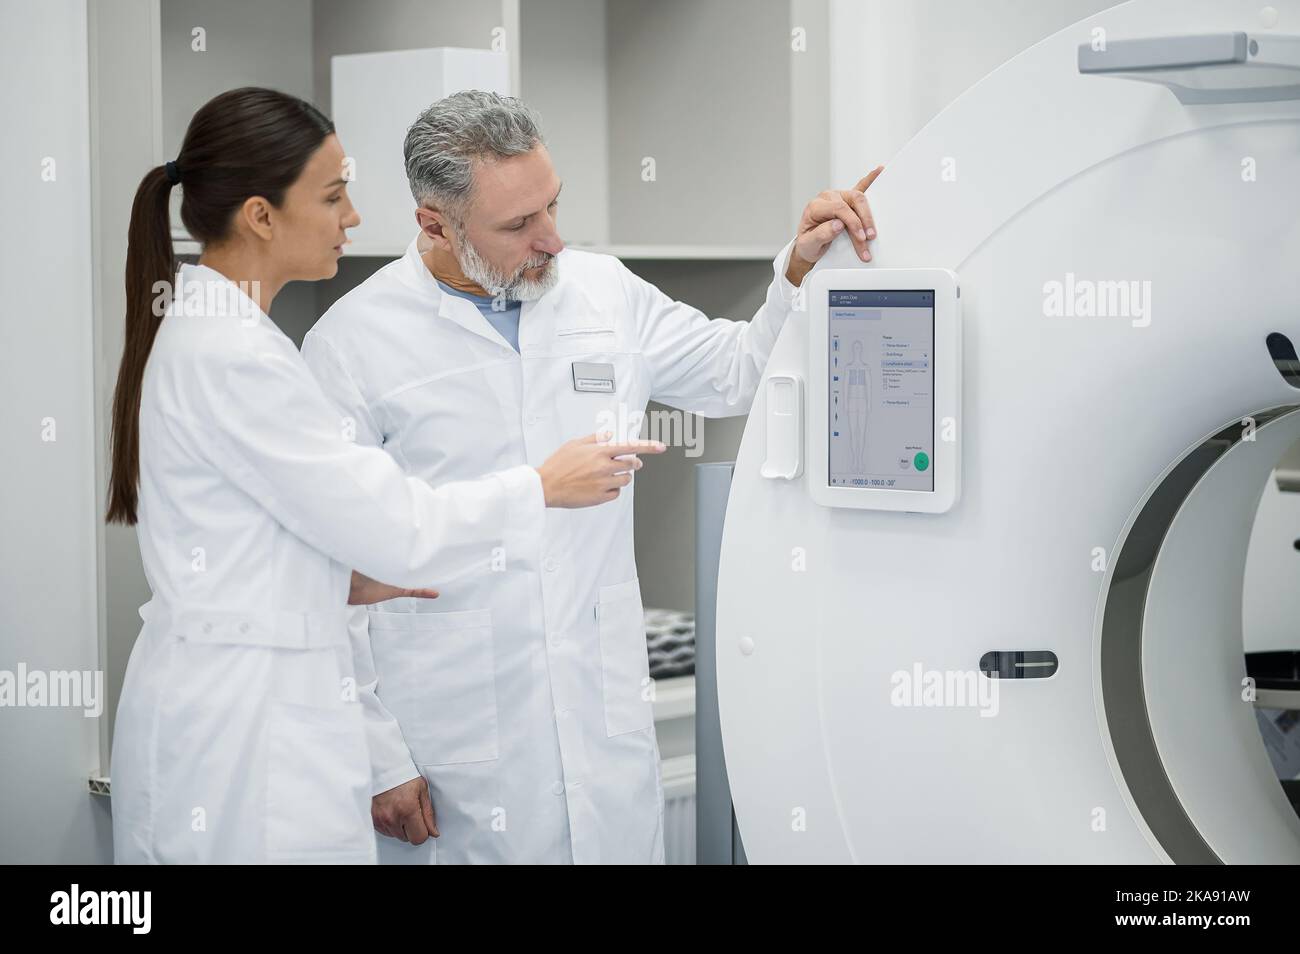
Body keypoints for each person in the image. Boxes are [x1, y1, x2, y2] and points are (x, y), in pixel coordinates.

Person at [303, 89, 881, 863]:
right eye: (518, 224)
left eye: (553, 205)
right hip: (451, 743)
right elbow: (330, 568)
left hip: (600, 719)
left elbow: (737, 373)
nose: (552, 237)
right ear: (435, 224)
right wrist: (381, 758)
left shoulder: (603, 291)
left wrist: (800, 263)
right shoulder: (353, 344)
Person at [106, 87, 663, 864]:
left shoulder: (225, 336)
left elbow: (272, 536)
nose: (355, 217)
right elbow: (397, 530)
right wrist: (540, 486)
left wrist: (329, 574)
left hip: (256, 707)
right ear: (262, 216)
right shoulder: (238, 356)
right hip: (250, 733)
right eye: (334, 195)